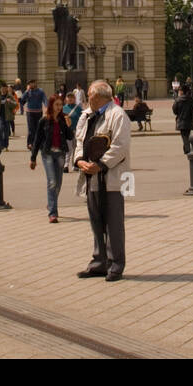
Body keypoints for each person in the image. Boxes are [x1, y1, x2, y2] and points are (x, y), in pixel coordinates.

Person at [73, 81, 131, 281]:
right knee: (96, 221)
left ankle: (116, 264)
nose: (87, 97)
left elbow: (120, 146)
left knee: (113, 223)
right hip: (91, 176)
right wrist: (80, 160)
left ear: (100, 97)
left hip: (113, 177)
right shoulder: (87, 115)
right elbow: (79, 140)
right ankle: (99, 262)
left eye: (90, 94)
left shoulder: (118, 115)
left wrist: (101, 164)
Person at [30, 96, 74, 223]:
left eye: (61, 104)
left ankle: (51, 203)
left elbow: (70, 137)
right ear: (51, 106)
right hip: (48, 153)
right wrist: (33, 158)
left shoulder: (62, 120)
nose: (59, 107)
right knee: (52, 182)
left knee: (58, 183)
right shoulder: (44, 120)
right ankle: (53, 213)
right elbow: (37, 140)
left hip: (60, 153)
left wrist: (69, 125)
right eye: (57, 105)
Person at [20, 79, 47, 151]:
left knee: (38, 128)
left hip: (38, 112)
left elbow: (45, 99)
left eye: (31, 83)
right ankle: (30, 143)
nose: (30, 85)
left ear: (35, 83)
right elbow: (22, 100)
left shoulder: (40, 91)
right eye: (29, 84)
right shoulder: (28, 91)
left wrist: (46, 107)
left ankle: (38, 144)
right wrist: (26, 91)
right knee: (31, 129)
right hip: (30, 112)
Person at [0, 82, 18, 150]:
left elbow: (15, 104)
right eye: (2, 88)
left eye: (4, 88)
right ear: (0, 89)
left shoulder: (10, 96)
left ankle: (5, 146)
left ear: (6, 89)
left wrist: (10, 102)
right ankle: (0, 145)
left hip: (7, 117)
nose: (3, 90)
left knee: (6, 133)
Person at [172, 82, 193, 154]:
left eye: (180, 90)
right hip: (189, 120)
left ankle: (187, 149)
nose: (179, 91)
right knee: (187, 135)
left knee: (184, 136)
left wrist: (179, 113)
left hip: (181, 120)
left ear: (182, 91)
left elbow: (174, 110)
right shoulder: (191, 99)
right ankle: (186, 149)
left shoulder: (178, 100)